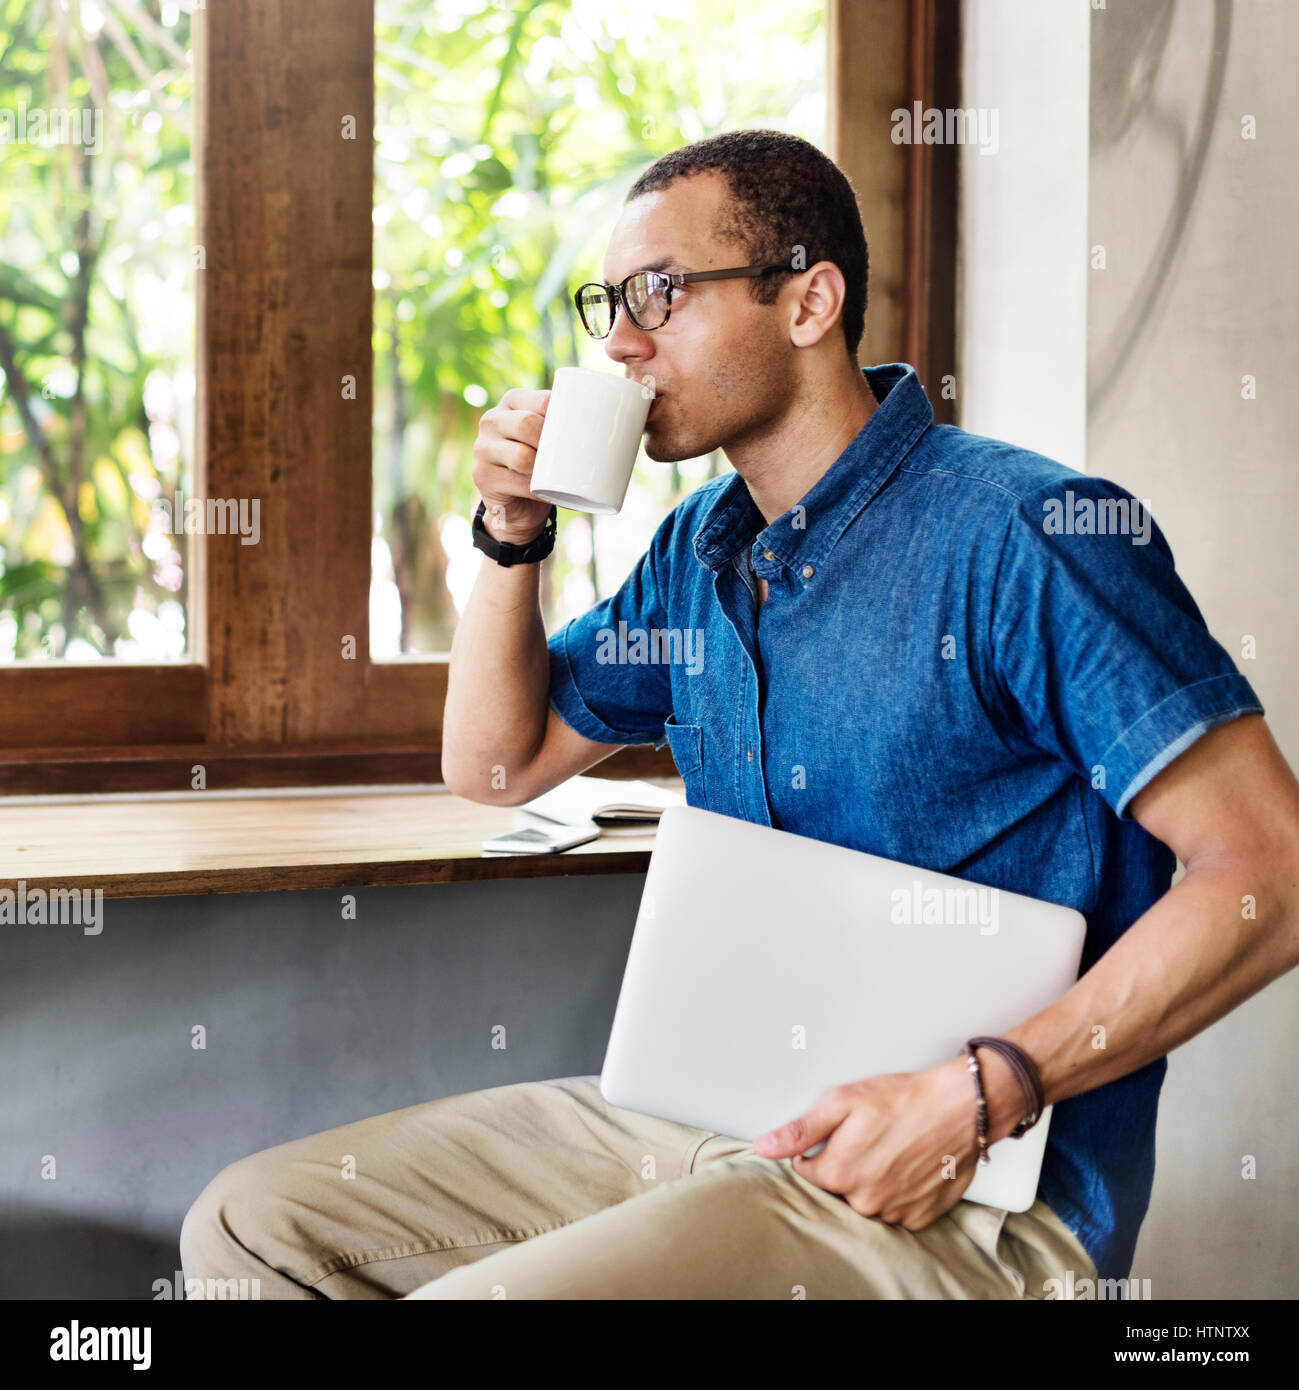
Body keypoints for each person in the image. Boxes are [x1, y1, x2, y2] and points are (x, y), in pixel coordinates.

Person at [181, 129, 1299, 1300]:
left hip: (975, 1193)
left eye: (660, 294)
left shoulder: (1028, 538)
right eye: (609, 302)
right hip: (722, 1120)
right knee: (253, 1230)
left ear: (810, 301)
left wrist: (983, 1089)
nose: (619, 342)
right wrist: (513, 533)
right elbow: (495, 765)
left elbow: (1264, 868)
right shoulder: (699, 553)